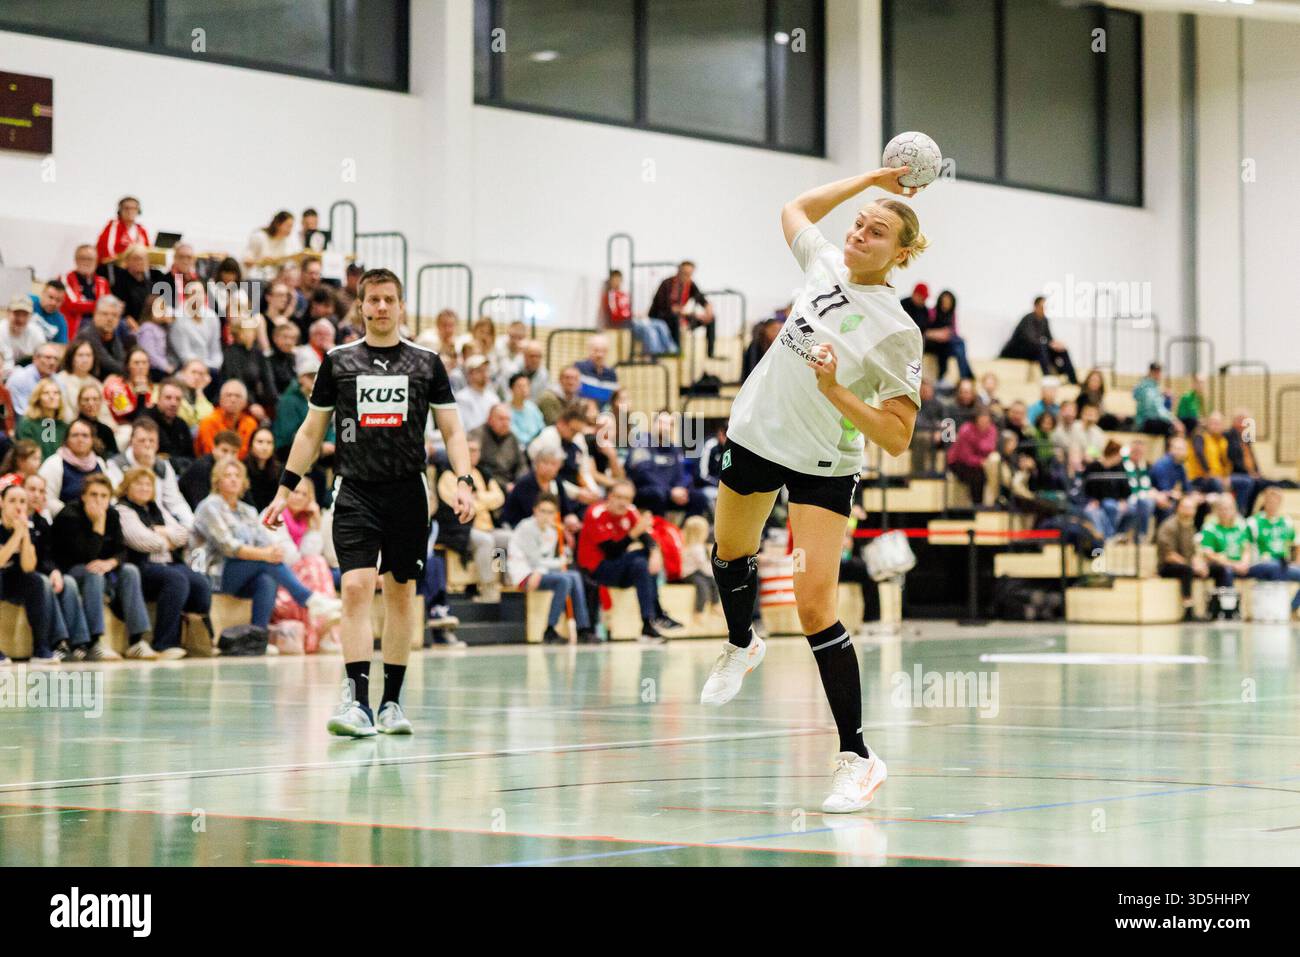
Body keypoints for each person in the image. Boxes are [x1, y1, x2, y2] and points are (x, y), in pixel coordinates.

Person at [699, 166, 924, 814]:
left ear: (900, 254)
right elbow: (794, 205)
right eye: (858, 223)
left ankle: (858, 755)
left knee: (813, 606)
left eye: (876, 231)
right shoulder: (824, 261)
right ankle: (742, 643)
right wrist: (876, 179)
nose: (858, 233)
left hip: (822, 463)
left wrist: (836, 393)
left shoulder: (896, 328)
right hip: (755, 434)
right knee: (729, 554)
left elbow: (899, 436)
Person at [263, 268, 475, 738]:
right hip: (355, 490)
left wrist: (463, 480)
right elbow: (311, 432)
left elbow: (453, 429)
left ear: (401, 306)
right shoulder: (338, 362)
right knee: (356, 586)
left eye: (388, 300)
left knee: (400, 592)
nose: (380, 308)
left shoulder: (426, 362)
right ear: (360, 307)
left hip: (407, 492)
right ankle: (357, 703)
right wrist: (283, 489)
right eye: (372, 300)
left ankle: (392, 704)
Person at [193, 458, 340, 644]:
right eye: (227, 475)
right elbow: (229, 547)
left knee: (266, 578)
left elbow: (264, 542)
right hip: (211, 573)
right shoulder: (210, 506)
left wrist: (272, 552)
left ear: (243, 481)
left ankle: (258, 638)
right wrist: (267, 555)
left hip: (242, 573)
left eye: (237, 475)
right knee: (265, 561)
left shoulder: (248, 511)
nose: (233, 479)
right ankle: (310, 600)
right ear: (217, 480)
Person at [52, 474, 155, 658]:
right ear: (83, 496)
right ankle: (94, 642)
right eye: (93, 495)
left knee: (130, 571)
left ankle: (137, 641)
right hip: (71, 572)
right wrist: (98, 524)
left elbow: (122, 551)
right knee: (94, 572)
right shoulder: (69, 515)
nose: (98, 501)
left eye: (103, 496)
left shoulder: (113, 514)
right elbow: (84, 556)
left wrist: (111, 562)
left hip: (103, 571)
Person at [115, 467, 212, 660]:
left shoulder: (156, 508)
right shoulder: (123, 510)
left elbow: (185, 534)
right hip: (142, 568)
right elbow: (140, 540)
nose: (144, 488)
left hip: (169, 564)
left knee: (200, 582)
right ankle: (164, 643)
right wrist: (165, 538)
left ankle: (197, 639)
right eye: (138, 484)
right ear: (127, 487)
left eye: (147, 484)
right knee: (176, 579)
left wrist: (158, 532)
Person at [577, 479, 679, 641]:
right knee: (640, 559)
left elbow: (646, 537)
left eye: (627, 499)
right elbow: (611, 551)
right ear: (609, 497)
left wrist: (654, 552)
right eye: (619, 497)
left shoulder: (630, 511)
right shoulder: (596, 513)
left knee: (642, 562)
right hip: (597, 569)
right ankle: (658, 614)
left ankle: (648, 623)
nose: (623, 503)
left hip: (621, 569)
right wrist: (634, 534)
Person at [24, 472, 99, 661]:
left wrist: (54, 571)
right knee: (42, 582)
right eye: (31, 489)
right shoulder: (11, 521)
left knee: (68, 582)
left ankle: (80, 642)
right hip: (23, 575)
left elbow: (48, 556)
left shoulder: (42, 523)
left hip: (42, 571)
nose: (36, 494)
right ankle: (58, 641)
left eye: (41, 491)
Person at [506, 493, 594, 644]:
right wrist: (560, 561)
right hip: (524, 573)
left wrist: (564, 555)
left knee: (575, 576)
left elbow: (545, 561)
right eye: (543, 511)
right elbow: (535, 562)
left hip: (541, 571)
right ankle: (550, 629)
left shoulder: (552, 531)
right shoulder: (526, 527)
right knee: (564, 580)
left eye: (550, 512)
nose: (546, 516)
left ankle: (583, 628)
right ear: (535, 511)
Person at [267, 479, 341, 654]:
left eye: (304, 494)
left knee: (317, 562)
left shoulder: (306, 519)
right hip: (281, 582)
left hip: (304, 580)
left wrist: (314, 525)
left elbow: (312, 552)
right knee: (316, 564)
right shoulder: (274, 514)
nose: (299, 497)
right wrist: (306, 558)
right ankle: (325, 634)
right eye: (295, 491)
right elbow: (288, 557)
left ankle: (324, 628)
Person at [435, 437, 508, 603]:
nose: (473, 454)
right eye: (469, 450)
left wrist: (477, 499)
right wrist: (483, 502)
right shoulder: (448, 475)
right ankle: (487, 587)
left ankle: (500, 581)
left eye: (476, 450)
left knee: (505, 541)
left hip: (487, 525)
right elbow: (458, 503)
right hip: (461, 529)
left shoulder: (483, 473)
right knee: (486, 541)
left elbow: (499, 497)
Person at [105, 418, 193, 525]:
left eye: (152, 441)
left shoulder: (163, 465)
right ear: (131, 441)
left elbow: (175, 502)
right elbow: (116, 500)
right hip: (129, 520)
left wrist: (192, 526)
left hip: (160, 518)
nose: (147, 445)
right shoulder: (116, 464)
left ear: (158, 444)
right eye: (142, 440)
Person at [1156, 494, 1224, 622]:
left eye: (1191, 508)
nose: (1188, 510)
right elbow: (1169, 555)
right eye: (1185, 507)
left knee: (1218, 569)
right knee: (1186, 570)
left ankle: (1215, 608)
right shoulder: (1169, 526)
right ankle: (1188, 610)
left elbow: (1194, 552)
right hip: (1167, 567)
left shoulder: (1190, 526)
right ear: (1178, 508)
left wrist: (1200, 564)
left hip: (1187, 564)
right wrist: (1192, 566)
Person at [1246, 486, 1300, 619]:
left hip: (1282, 564)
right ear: (1264, 501)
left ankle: (1290, 608)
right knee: (1272, 567)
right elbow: (1245, 545)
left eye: (1276, 501)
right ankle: (1271, 610)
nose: (1273, 504)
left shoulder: (1286, 522)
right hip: (1259, 564)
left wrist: (1298, 562)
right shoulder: (1253, 522)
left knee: (1279, 567)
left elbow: (1297, 543)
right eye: (1270, 501)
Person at [1000, 296, 1077, 383]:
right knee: (1041, 347)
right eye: (1042, 307)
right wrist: (1048, 344)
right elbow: (1031, 340)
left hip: (1037, 351)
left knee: (1062, 350)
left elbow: (1049, 338)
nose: (1044, 310)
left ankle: (1073, 379)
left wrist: (1056, 344)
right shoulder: (1028, 319)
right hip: (1019, 351)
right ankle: (1048, 378)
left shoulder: (1044, 320)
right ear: (1035, 306)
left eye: (1045, 308)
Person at [37, 418, 109, 509]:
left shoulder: (99, 462)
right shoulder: (54, 463)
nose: (80, 440)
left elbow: (108, 493)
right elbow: (47, 499)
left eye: (85, 435)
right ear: (67, 439)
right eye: (75, 435)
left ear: (92, 440)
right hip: (65, 518)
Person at [650, 261, 714, 356]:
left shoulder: (690, 284)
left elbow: (702, 300)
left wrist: (708, 310)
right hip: (663, 317)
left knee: (711, 319)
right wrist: (687, 313)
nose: (687, 277)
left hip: (681, 316)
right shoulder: (667, 283)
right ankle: (676, 351)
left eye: (689, 274)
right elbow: (668, 308)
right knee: (675, 317)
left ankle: (710, 354)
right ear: (678, 271)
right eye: (684, 273)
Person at [195, 379, 259, 460]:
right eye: (228, 395)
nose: (233, 400)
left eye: (238, 396)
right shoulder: (209, 422)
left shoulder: (251, 423)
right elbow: (210, 452)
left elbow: (248, 454)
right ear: (220, 399)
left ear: (245, 402)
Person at [947, 408, 999, 507]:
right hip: (958, 462)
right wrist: (981, 461)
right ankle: (977, 506)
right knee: (978, 476)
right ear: (976, 419)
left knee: (996, 466)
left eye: (987, 420)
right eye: (982, 419)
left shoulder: (992, 429)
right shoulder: (966, 430)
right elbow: (965, 457)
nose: (985, 423)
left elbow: (991, 447)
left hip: (982, 461)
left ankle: (996, 500)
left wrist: (984, 460)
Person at [142, 378, 196, 472]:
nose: (173, 403)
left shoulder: (181, 424)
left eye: (178, 399)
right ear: (158, 399)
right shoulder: (146, 420)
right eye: (168, 398)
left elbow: (191, 456)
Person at [180, 429, 242, 510]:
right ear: (214, 448)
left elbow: (245, 498)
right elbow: (201, 505)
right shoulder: (201, 468)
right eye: (224, 451)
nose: (229, 457)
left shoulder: (236, 469)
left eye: (234, 452)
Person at [74, 295, 133, 378]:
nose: (110, 319)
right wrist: (131, 370)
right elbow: (108, 364)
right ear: (95, 315)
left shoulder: (114, 335)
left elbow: (121, 359)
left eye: (114, 315)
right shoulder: (86, 335)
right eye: (105, 314)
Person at [471, 403, 526, 490]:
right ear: (490, 419)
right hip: (486, 484)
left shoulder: (512, 437)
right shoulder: (477, 435)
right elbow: (476, 466)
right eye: (501, 419)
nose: (505, 423)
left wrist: (518, 483)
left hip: (511, 484)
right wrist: (503, 485)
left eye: (508, 419)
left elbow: (522, 465)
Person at [678, 514, 721, 625]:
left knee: (712, 582)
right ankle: (699, 611)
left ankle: (715, 604)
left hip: (698, 572)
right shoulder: (697, 548)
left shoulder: (695, 546)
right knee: (703, 586)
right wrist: (713, 573)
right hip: (690, 573)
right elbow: (702, 564)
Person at [61, 245, 110, 341]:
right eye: (83, 258)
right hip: (77, 324)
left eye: (90, 259)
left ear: (96, 262)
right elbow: (73, 305)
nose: (86, 262)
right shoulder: (65, 279)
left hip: (99, 322)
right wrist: (99, 306)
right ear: (76, 260)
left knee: (121, 325)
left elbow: (108, 305)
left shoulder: (102, 282)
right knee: (90, 327)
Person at [8, 341, 64, 420]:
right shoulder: (20, 379)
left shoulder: (59, 381)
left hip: (51, 424)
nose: (52, 362)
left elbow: (61, 410)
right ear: (35, 358)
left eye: (56, 359)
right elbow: (22, 412)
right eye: (48, 358)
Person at [17, 378, 68, 459]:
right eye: (46, 393)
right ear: (38, 398)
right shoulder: (28, 424)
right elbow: (27, 454)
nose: (52, 397)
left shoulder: (64, 426)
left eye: (56, 393)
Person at [1, 296, 53, 377]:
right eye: (17, 314)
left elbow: (43, 358)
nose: (21, 319)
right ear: (8, 313)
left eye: (25, 315)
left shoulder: (36, 332)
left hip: (30, 376)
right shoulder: (1, 330)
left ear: (30, 316)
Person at [244, 210, 301, 280]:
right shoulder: (259, 237)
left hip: (275, 280)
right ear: (278, 224)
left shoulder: (286, 241)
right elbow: (246, 261)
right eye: (288, 226)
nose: (290, 230)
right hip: (256, 277)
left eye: (291, 227)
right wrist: (262, 261)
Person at [96, 196, 149, 269]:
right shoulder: (113, 226)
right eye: (126, 208)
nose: (130, 211)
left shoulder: (141, 230)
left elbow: (147, 251)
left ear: (138, 211)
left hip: (136, 269)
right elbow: (106, 252)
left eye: (134, 208)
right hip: (116, 267)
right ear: (120, 211)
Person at [1133, 362, 1180, 436]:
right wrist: (1173, 420)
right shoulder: (1147, 388)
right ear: (1151, 372)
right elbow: (1155, 409)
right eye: (1156, 372)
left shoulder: (1153, 387)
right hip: (1146, 421)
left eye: (1159, 372)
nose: (1159, 374)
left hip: (1148, 420)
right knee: (1170, 427)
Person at [575, 334, 619, 407]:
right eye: (596, 350)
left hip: (605, 415)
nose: (599, 355)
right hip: (582, 412)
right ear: (589, 350)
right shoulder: (579, 367)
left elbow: (613, 400)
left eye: (603, 351)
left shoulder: (611, 374)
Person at [29, 280, 69, 345]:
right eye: (50, 297)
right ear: (43, 294)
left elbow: (61, 347)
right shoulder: (29, 302)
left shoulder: (61, 323)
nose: (53, 303)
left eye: (58, 300)